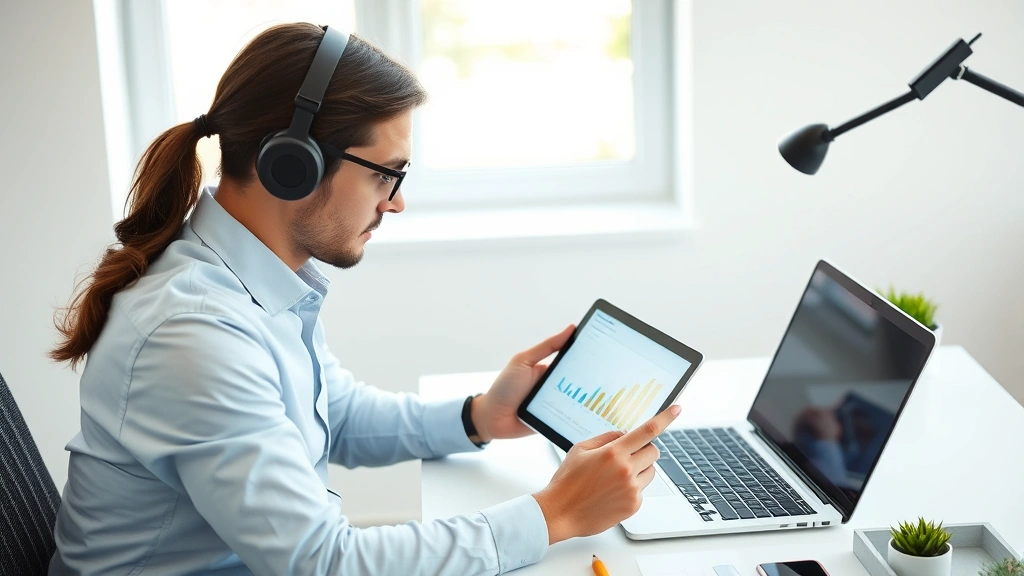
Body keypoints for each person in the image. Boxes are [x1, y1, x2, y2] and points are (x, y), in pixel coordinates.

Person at [47, 23, 680, 575]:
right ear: (291, 163)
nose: (397, 201)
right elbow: (322, 563)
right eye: (386, 172)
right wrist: (554, 514)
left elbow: (334, 417)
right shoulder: (194, 332)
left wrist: (478, 416)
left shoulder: (249, 282)